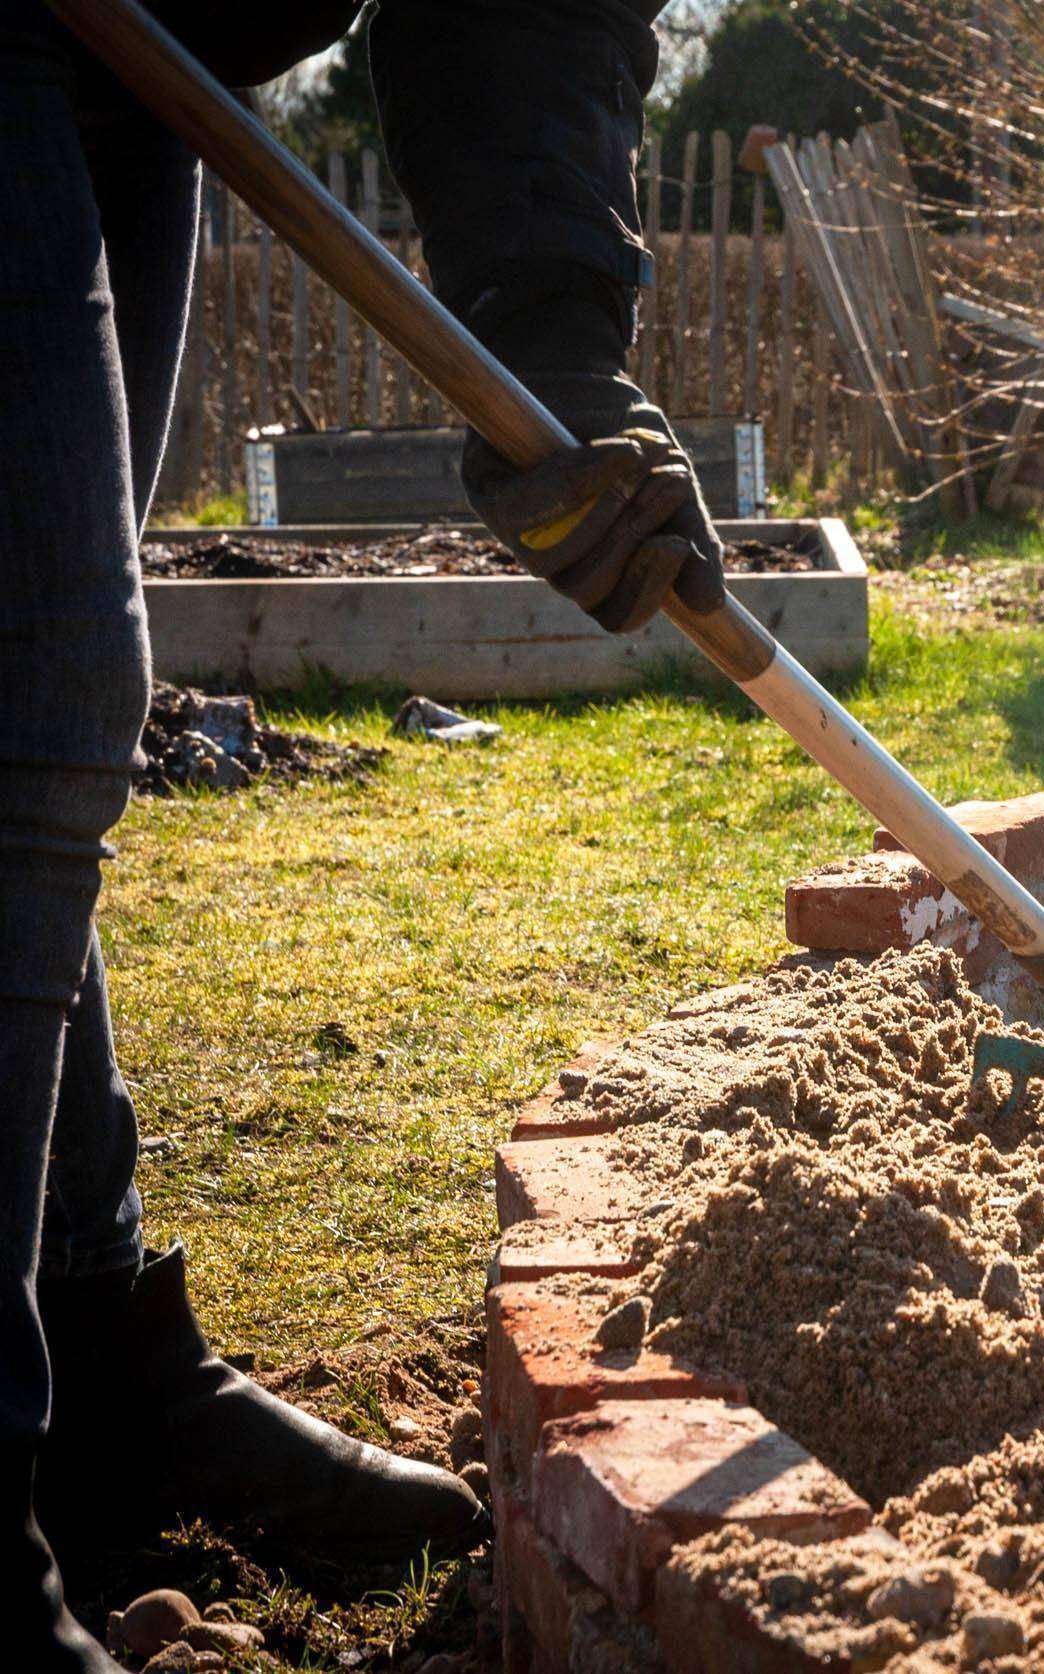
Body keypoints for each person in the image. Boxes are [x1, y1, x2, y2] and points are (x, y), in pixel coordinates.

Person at [0, 3, 728, 1665]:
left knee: (34, 696)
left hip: (142, 50)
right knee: (37, 681)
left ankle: (96, 1363)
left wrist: (555, 336)